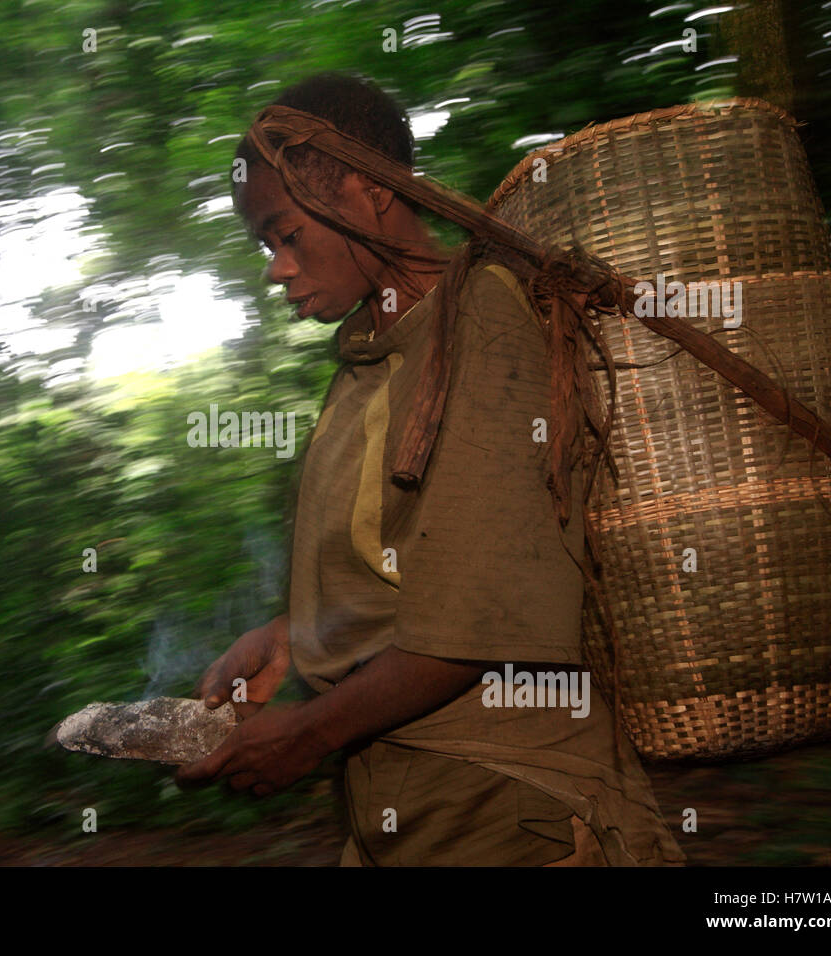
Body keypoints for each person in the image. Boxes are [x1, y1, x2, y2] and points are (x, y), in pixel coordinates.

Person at [176, 72, 684, 867]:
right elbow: (410, 574)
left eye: (285, 235)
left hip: (516, 810)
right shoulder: (370, 362)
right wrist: (293, 639)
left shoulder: (483, 317)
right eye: (264, 247)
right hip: (405, 816)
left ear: (362, 191)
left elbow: (476, 624)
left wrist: (306, 735)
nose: (275, 269)